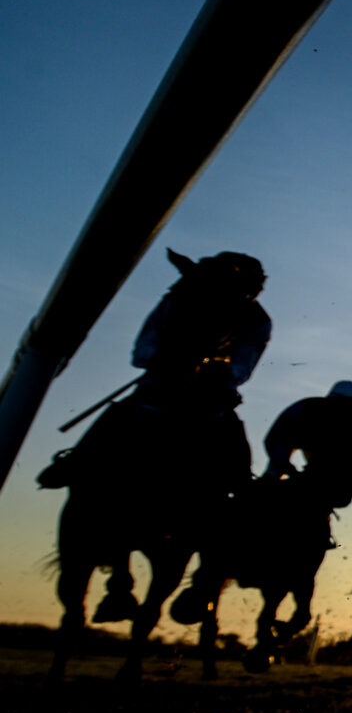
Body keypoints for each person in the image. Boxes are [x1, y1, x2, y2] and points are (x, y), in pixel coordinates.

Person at [89, 249, 271, 622]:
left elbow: (243, 366)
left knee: (239, 468)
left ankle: (219, 558)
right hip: (156, 392)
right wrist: (162, 361)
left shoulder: (256, 319)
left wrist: (217, 374)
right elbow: (143, 347)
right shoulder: (178, 296)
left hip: (208, 404)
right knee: (105, 433)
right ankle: (75, 468)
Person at [261, 380, 352, 508]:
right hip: (297, 439)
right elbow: (277, 439)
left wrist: (345, 477)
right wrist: (286, 468)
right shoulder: (307, 408)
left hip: (322, 454)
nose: (346, 409)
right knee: (272, 477)